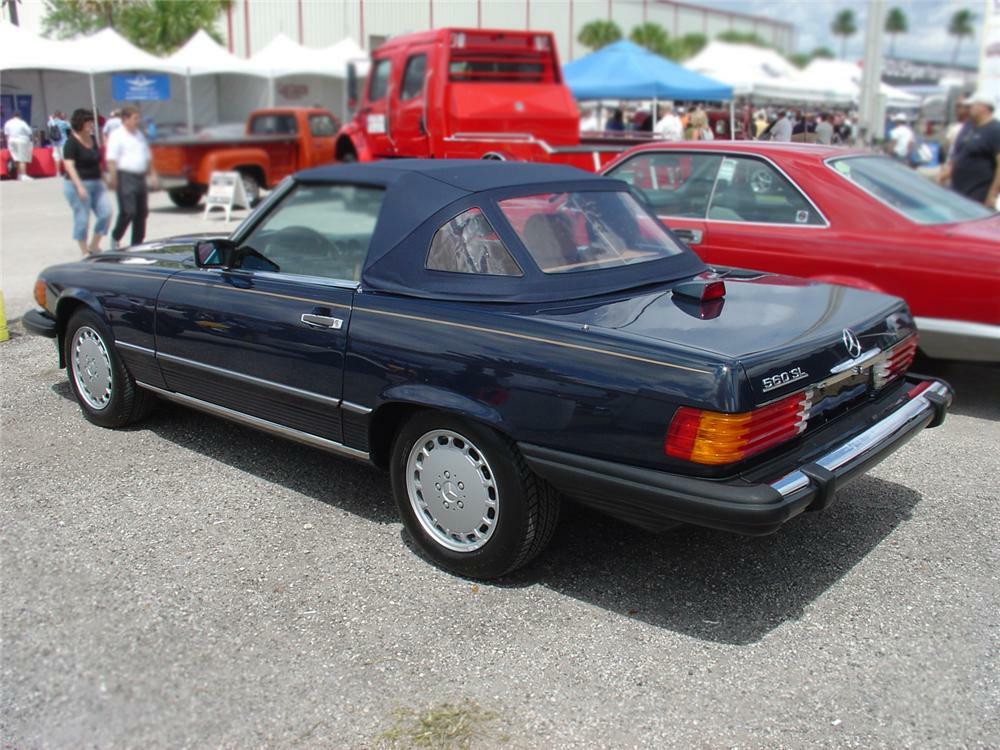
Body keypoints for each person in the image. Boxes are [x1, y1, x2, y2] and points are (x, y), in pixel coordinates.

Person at [106, 105, 159, 248]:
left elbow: (147, 156)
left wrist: (153, 174)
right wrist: (113, 178)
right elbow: (111, 159)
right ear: (125, 119)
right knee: (128, 211)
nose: (137, 121)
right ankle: (116, 237)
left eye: (138, 118)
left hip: (140, 177)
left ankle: (137, 244)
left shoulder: (139, 135)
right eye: (135, 118)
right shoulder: (117, 135)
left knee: (142, 213)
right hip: (125, 177)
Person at [61, 108, 112, 255]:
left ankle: (94, 244)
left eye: (91, 121)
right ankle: (84, 251)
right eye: (88, 122)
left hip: (96, 183)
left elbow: (97, 161)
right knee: (82, 218)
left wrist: (105, 179)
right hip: (76, 185)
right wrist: (79, 186)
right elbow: (69, 166)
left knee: (106, 213)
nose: (91, 124)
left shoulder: (93, 139)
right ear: (80, 123)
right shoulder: (71, 143)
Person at [947, 93, 1000, 208]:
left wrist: (993, 195)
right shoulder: (968, 126)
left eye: (972, 105)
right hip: (956, 193)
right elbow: (959, 152)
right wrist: (947, 171)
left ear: (984, 108)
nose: (968, 108)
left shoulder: (995, 130)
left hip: (978, 197)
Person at [3, 111, 34, 181]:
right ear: (19, 116)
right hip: (22, 140)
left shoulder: (8, 123)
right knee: (22, 158)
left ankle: (19, 175)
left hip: (11, 140)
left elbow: (6, 134)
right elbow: (29, 131)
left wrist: (8, 144)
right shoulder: (22, 123)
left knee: (16, 158)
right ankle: (23, 175)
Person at [47, 110, 70, 175]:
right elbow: (69, 126)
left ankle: (58, 172)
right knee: (65, 157)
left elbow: (48, 124)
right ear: (60, 116)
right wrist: (65, 119)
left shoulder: (50, 123)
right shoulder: (63, 123)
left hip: (55, 142)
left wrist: (51, 118)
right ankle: (67, 171)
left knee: (57, 157)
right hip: (63, 142)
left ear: (54, 115)